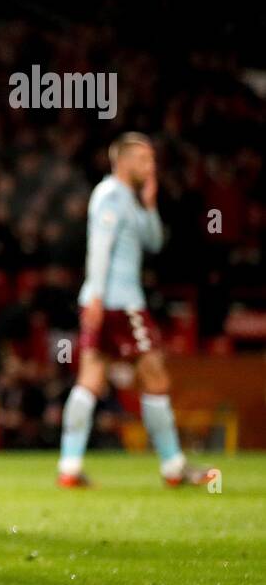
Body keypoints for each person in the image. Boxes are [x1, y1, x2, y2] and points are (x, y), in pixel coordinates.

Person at [58, 133, 217, 488]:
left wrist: (149, 205)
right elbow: (100, 247)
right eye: (145, 160)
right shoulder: (110, 195)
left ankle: (69, 467)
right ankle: (174, 467)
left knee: (91, 379)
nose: (151, 167)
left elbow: (155, 242)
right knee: (156, 378)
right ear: (125, 161)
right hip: (119, 303)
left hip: (108, 301)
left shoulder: (130, 199)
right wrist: (97, 296)